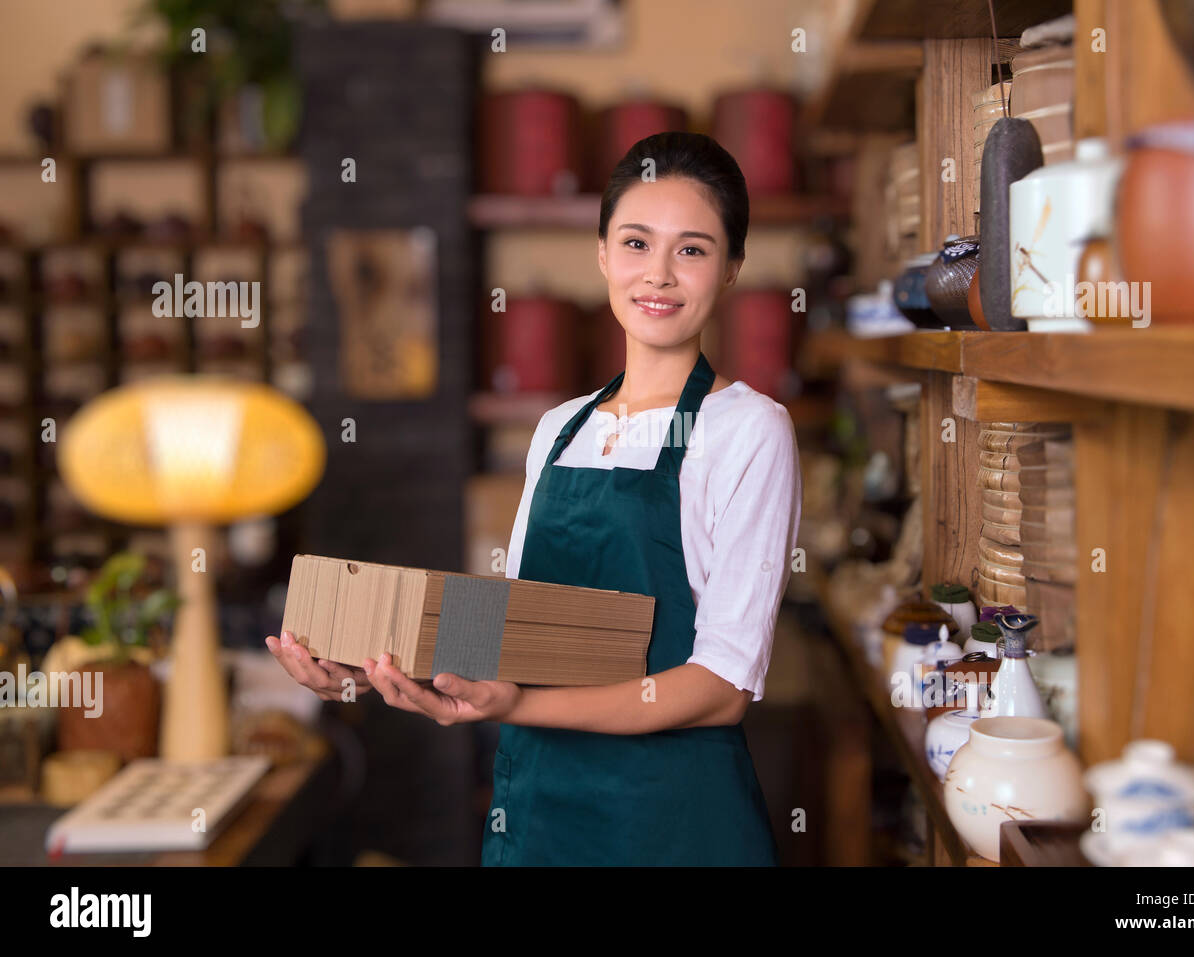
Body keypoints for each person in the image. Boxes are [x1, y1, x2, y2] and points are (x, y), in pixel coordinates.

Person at [268, 131, 802, 865]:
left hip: (673, 821)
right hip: (538, 814)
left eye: (693, 249)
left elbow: (722, 685)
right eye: (638, 242)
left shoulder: (749, 429)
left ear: (732, 268)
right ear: (603, 254)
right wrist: (367, 663)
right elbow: (509, 623)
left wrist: (520, 705)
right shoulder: (559, 428)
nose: (659, 274)